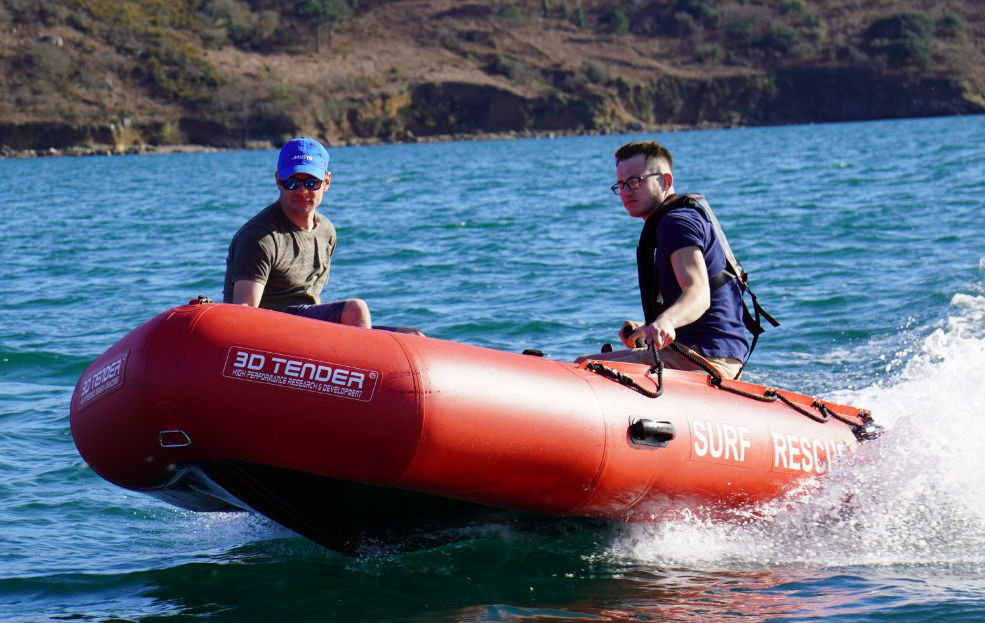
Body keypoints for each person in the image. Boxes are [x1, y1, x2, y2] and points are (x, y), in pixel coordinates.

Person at [578, 140, 752, 379]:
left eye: (635, 181)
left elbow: (698, 295)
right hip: (710, 352)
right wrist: (648, 327)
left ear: (665, 181)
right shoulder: (671, 220)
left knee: (583, 368)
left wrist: (667, 321)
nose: (627, 191)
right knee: (585, 363)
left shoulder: (676, 223)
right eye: (621, 184)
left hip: (706, 360)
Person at [223, 136, 421, 335]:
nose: (302, 191)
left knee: (414, 336)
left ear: (326, 182)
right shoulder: (259, 238)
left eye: (311, 182)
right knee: (355, 310)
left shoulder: (326, 231)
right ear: (278, 181)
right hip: (273, 334)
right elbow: (244, 315)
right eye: (292, 182)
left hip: (310, 330)